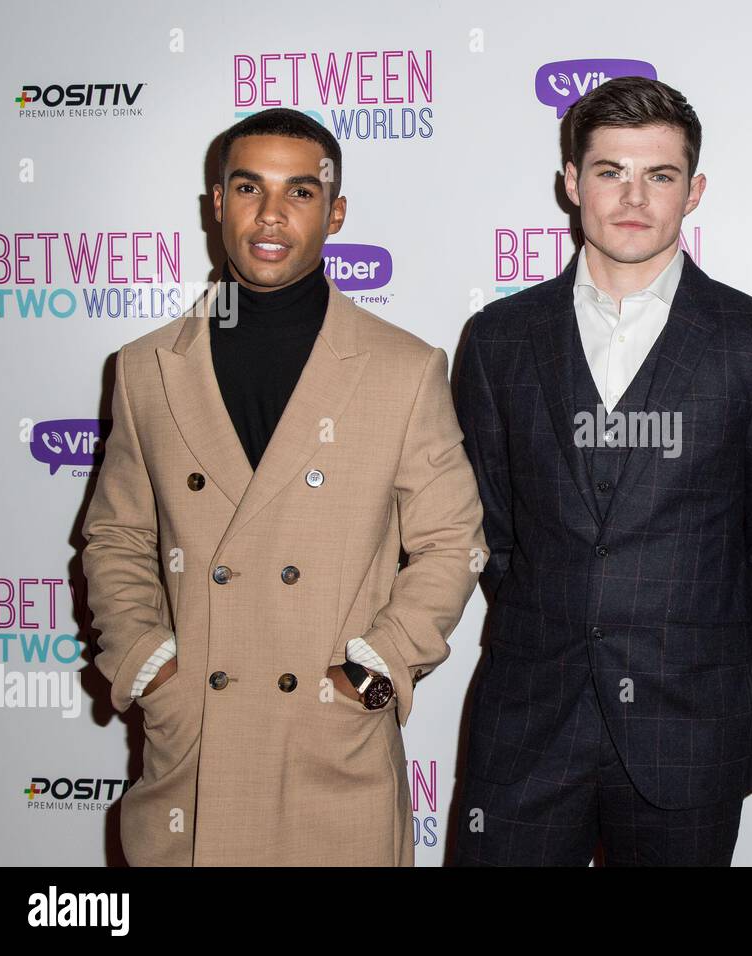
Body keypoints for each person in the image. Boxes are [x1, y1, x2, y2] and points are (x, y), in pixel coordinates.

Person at [82, 108, 485, 866]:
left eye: (299, 193)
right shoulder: (145, 368)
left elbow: (452, 542)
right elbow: (117, 536)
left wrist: (372, 678)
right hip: (195, 756)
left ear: (335, 212)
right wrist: (147, 663)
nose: (270, 215)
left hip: (331, 758)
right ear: (216, 202)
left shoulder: (402, 369)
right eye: (248, 188)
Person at [452, 77, 752, 865]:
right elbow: (490, 527)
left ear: (693, 191)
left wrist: (714, 667)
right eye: (609, 171)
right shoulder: (498, 339)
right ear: (570, 182)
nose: (633, 196)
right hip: (528, 719)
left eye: (658, 176)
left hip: (690, 721)